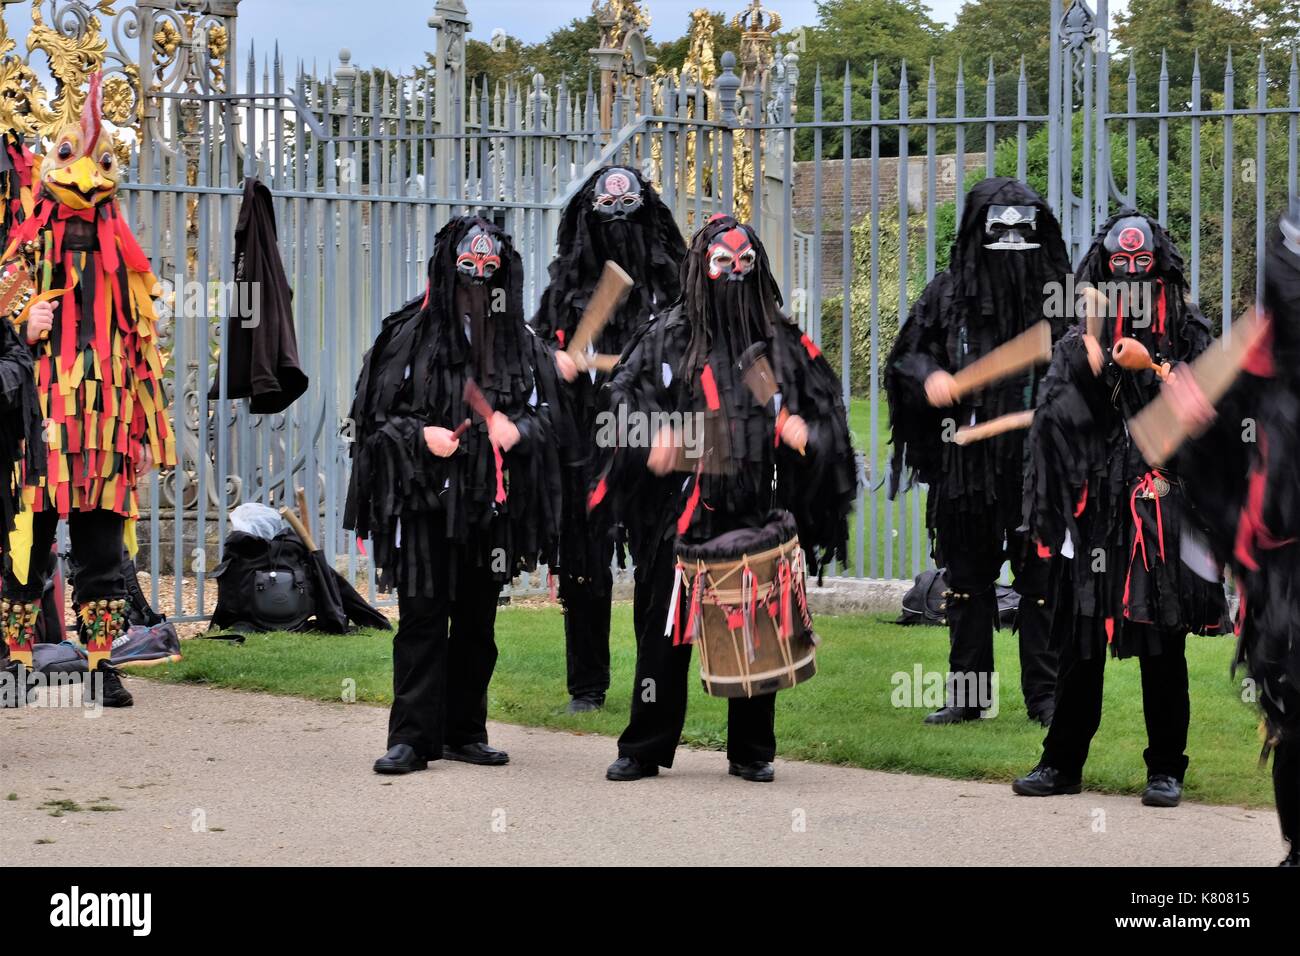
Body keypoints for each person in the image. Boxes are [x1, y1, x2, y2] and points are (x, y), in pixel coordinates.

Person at [594, 214, 857, 783]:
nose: (734, 274)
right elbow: (617, 399)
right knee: (663, 631)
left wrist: (806, 435)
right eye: (721, 264)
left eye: (744, 264)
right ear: (699, 270)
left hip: (752, 507)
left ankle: (752, 751)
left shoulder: (783, 342)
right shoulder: (668, 334)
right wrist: (653, 436)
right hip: (680, 510)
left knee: (757, 627)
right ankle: (644, 745)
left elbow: (829, 413)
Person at [1013, 211, 1228, 808]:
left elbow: (1210, 414)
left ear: (1160, 266)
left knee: (1161, 643)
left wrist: (1153, 367)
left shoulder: (1188, 332)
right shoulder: (1082, 333)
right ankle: (1061, 763)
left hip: (1158, 509)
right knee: (1082, 639)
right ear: (1102, 270)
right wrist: (1086, 367)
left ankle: (1166, 768)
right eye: (1119, 265)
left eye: (1142, 264)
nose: (1131, 275)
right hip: (1095, 512)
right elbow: (1052, 422)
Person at [344, 215, 563, 775]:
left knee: (477, 623)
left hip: (487, 508)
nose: (478, 279)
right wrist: (420, 437)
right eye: (468, 268)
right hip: (423, 504)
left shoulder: (521, 345)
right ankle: (412, 739)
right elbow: (372, 424)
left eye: (490, 270)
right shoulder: (406, 335)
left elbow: (548, 419)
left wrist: (519, 430)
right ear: (447, 268)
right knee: (422, 619)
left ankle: (465, 730)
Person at [1, 73, 175, 708]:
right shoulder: (25, 251)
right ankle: (16, 664)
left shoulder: (124, 267)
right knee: (28, 546)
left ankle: (102, 665)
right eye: (73, 158)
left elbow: (144, 347)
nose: (86, 178)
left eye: (100, 163)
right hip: (39, 429)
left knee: (102, 553)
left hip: (105, 430)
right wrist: (24, 320)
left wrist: (151, 430)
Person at [885, 178, 1071, 726]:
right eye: (999, 226)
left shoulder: (1060, 298)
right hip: (967, 470)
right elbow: (905, 359)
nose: (1011, 236)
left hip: (1039, 467)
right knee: (966, 584)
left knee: (1040, 586)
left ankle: (1047, 697)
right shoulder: (947, 295)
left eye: (1022, 226)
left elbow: (1090, 366)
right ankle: (968, 696)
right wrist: (933, 375)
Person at [1168, 203, 1300, 860]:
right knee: (1292, 718)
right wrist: (1195, 423)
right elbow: (1214, 463)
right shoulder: (1258, 362)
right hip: (1285, 584)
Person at [533, 165, 685, 713]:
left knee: (658, 562)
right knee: (584, 567)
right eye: (606, 216)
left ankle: (654, 680)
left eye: (630, 214)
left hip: (654, 445)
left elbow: (695, 356)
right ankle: (587, 687)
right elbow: (532, 358)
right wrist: (554, 360)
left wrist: (619, 364)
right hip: (584, 446)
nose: (618, 227)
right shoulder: (563, 293)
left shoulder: (675, 287)